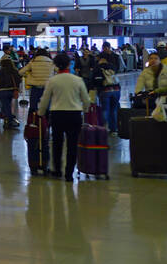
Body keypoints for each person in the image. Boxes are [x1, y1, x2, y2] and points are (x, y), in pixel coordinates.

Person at [39, 52, 89, 181]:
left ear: (56, 65)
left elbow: (45, 99)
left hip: (57, 115)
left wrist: (41, 113)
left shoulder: (52, 81)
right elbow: (86, 100)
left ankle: (57, 171)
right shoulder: (77, 80)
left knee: (57, 144)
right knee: (72, 145)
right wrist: (85, 110)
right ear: (69, 64)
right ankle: (69, 174)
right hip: (74, 115)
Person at [20, 48, 54, 116]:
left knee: (33, 107)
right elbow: (59, 71)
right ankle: (46, 121)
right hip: (47, 87)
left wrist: (28, 75)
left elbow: (21, 72)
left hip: (35, 88)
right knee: (47, 107)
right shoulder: (51, 63)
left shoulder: (32, 62)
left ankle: (34, 120)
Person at [0, 55, 22, 130]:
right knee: (7, 105)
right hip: (12, 90)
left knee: (6, 106)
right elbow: (19, 80)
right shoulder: (14, 70)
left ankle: (9, 119)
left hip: (2, 91)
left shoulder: (0, 71)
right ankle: (8, 119)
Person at [93, 56, 122, 135]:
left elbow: (95, 81)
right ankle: (114, 129)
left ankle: (104, 128)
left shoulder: (97, 68)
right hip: (116, 90)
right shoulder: (112, 66)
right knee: (114, 109)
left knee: (105, 110)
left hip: (105, 91)